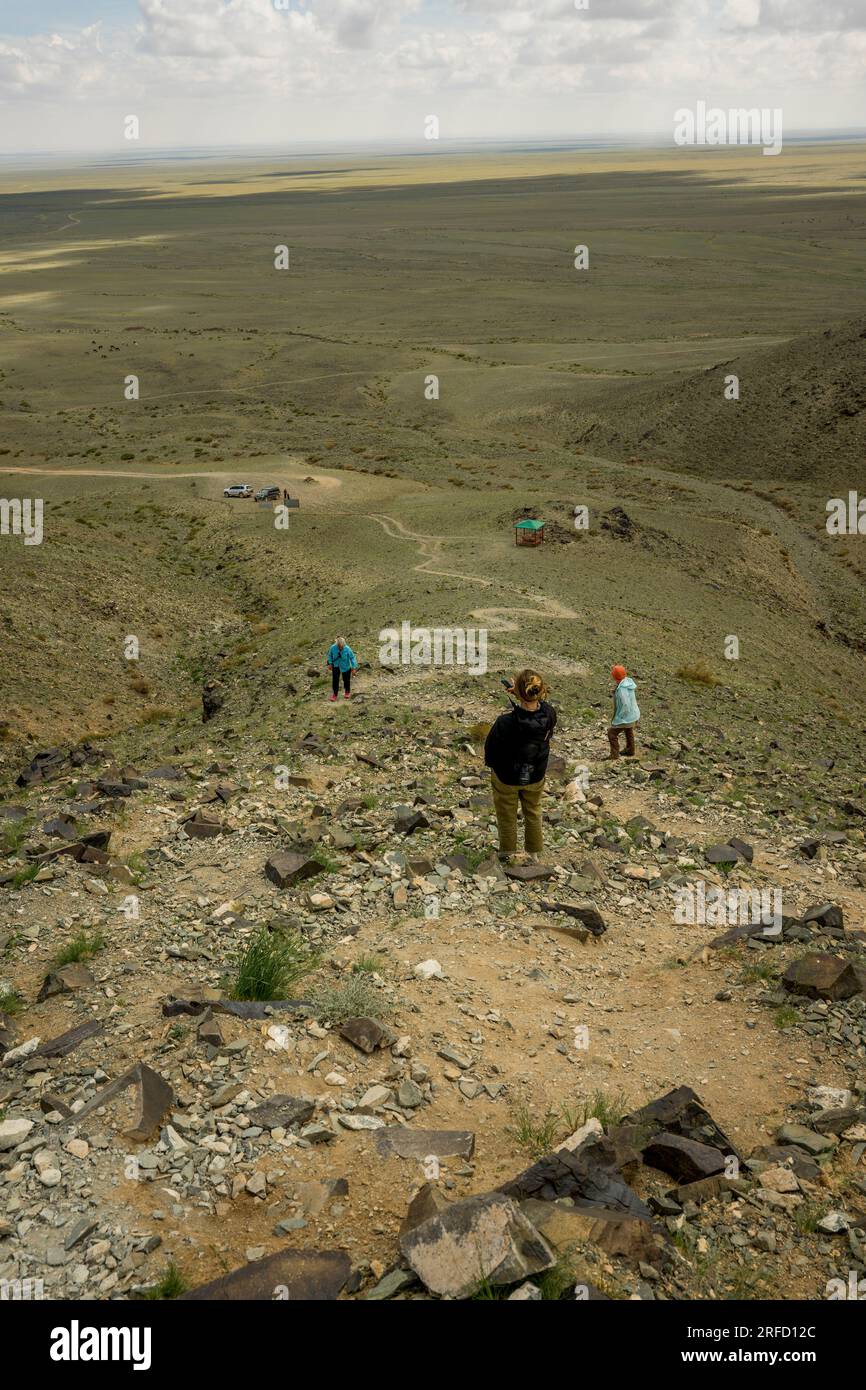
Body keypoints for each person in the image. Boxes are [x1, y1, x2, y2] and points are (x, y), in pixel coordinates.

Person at [484, 669, 556, 860]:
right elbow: (543, 704)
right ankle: (534, 853)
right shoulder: (549, 714)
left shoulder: (504, 722)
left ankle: (507, 853)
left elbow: (490, 750)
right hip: (536, 774)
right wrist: (521, 691)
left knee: (506, 814)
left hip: (506, 776)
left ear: (518, 692)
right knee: (533, 811)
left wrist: (493, 767)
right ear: (539, 691)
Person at [606, 664, 640, 759]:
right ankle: (630, 750)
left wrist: (620, 717)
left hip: (627, 716)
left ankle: (614, 754)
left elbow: (625, 704)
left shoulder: (622, 689)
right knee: (628, 729)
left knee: (611, 733)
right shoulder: (628, 682)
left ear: (615, 676)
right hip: (634, 715)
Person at [327, 636, 357, 700]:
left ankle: (347, 691)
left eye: (342, 647)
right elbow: (329, 655)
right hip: (336, 665)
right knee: (335, 680)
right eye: (339, 647)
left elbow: (352, 657)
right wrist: (330, 663)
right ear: (336, 644)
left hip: (346, 666)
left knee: (346, 680)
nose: (340, 648)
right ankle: (335, 694)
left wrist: (354, 668)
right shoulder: (332, 648)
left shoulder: (347, 648)